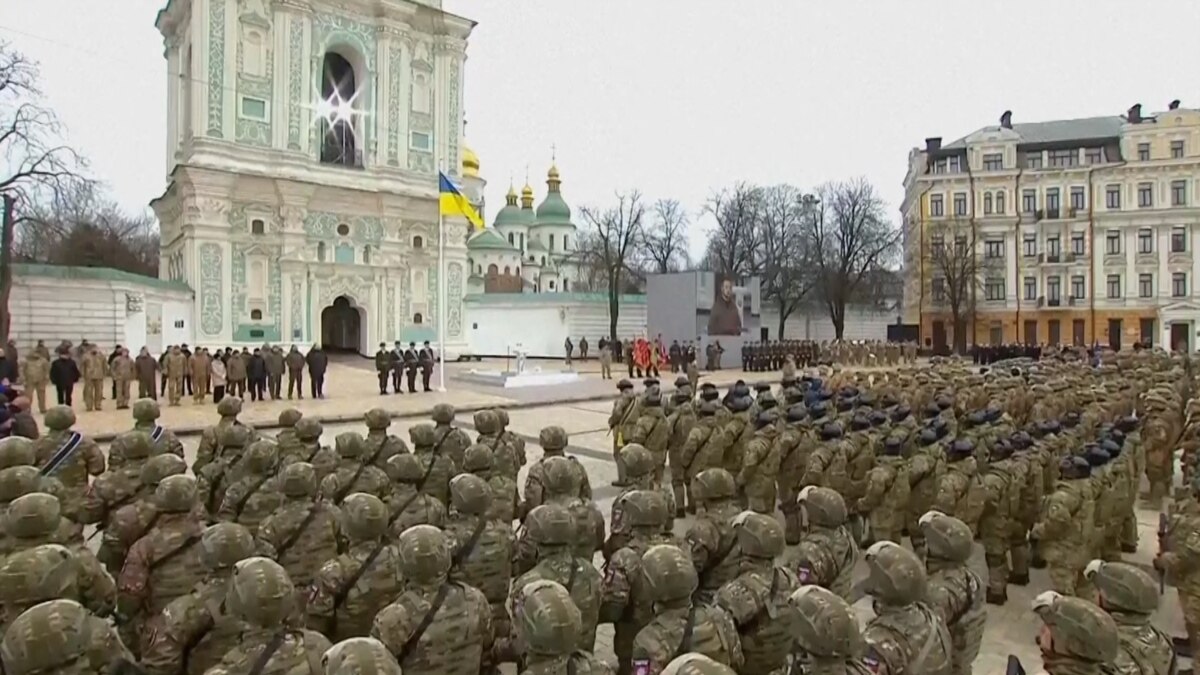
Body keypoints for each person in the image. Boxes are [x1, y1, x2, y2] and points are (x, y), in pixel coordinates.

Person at [18, 348, 49, 413]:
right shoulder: (25, 361)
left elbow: (46, 370)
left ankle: (42, 408)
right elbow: (21, 370)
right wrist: (23, 379)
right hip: (29, 380)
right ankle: (27, 409)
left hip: (40, 380)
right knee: (28, 396)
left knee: (41, 395)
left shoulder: (43, 361)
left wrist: (46, 378)